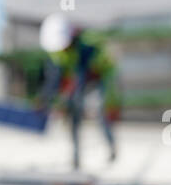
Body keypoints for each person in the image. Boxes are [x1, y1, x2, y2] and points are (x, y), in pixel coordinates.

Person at [37, 13, 120, 171]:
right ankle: (76, 158)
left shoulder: (87, 44)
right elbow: (54, 77)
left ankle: (111, 149)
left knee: (99, 113)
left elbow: (83, 73)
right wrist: (46, 99)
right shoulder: (56, 52)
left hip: (96, 79)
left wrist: (69, 91)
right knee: (73, 115)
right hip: (78, 81)